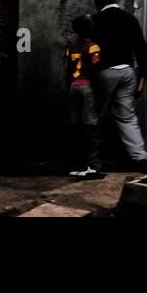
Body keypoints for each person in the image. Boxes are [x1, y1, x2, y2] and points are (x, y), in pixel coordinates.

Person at [88, 0, 147, 171]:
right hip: (128, 72)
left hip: (105, 73)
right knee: (127, 117)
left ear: (99, 2)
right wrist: (142, 78)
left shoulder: (95, 20)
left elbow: (91, 51)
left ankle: (92, 160)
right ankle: (139, 158)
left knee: (96, 116)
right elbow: (141, 49)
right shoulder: (129, 18)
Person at [64, 14, 101, 177]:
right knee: (90, 126)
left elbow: (66, 69)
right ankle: (91, 165)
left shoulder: (71, 46)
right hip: (86, 87)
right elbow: (96, 70)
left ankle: (76, 164)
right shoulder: (93, 46)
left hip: (73, 87)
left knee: (75, 126)